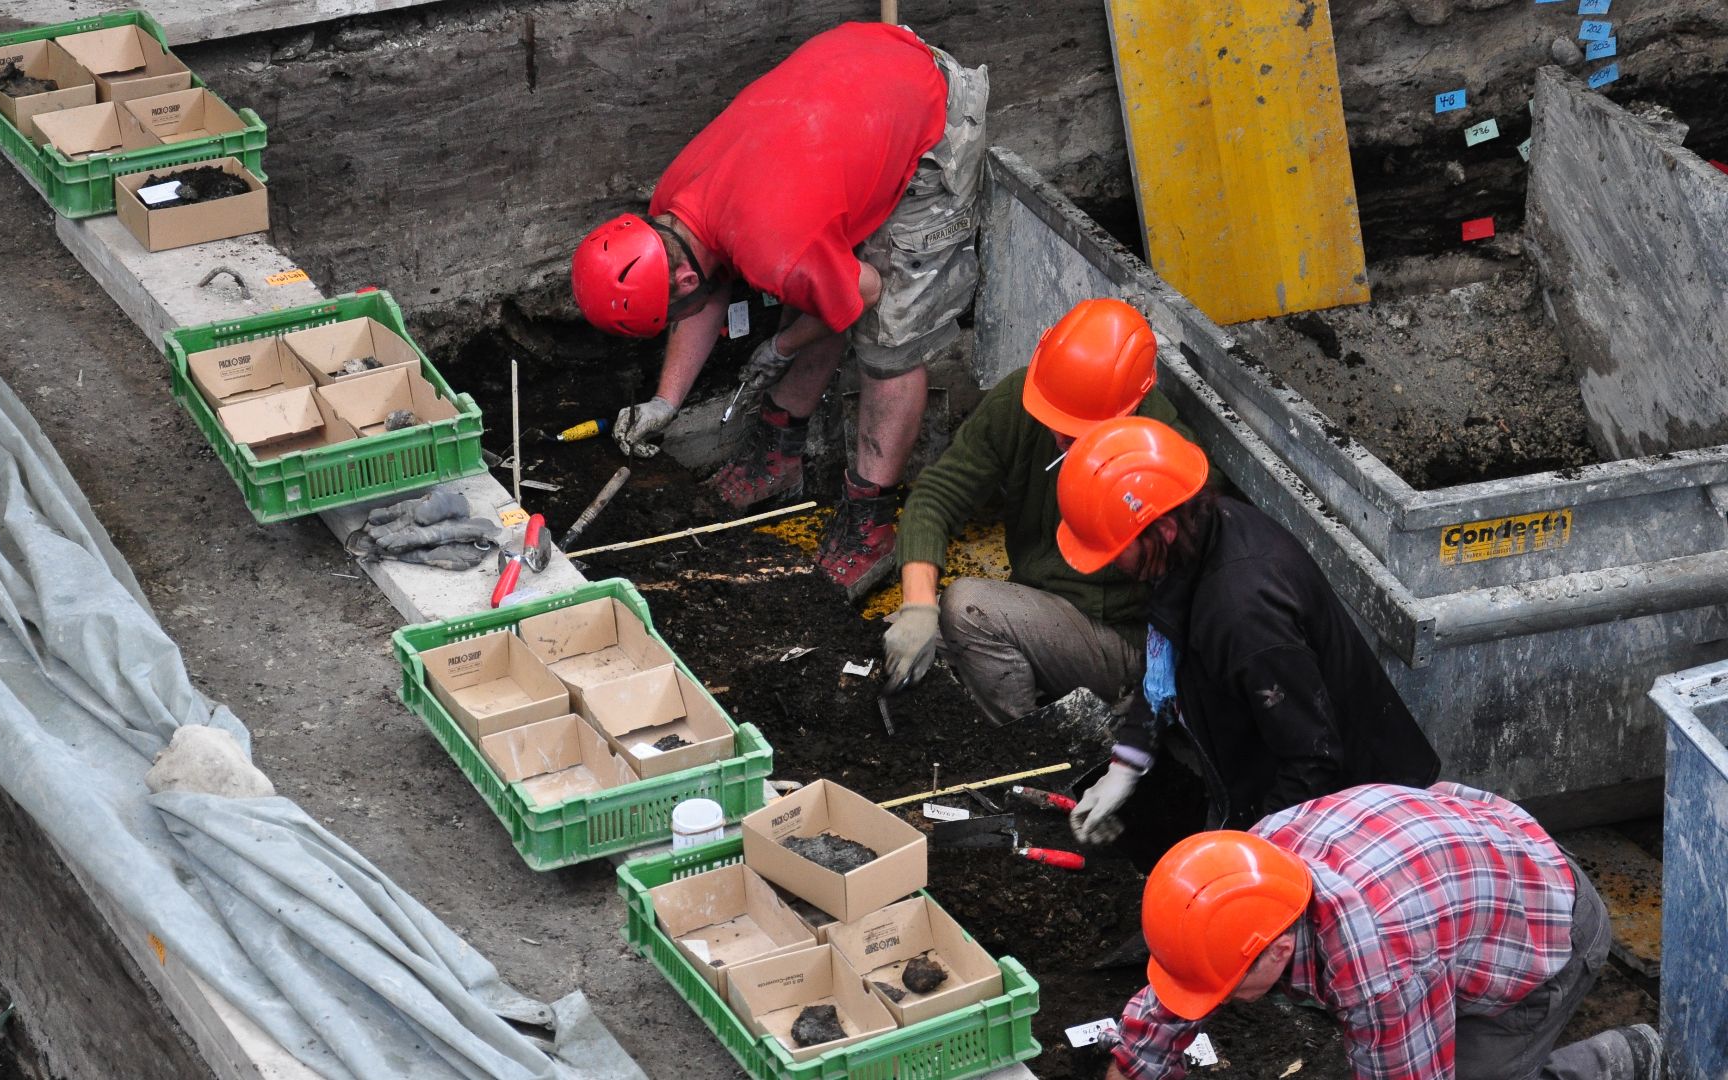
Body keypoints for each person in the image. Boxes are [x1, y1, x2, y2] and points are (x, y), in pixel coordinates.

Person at [569, 22, 989, 596]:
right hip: (854, 81)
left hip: (928, 114)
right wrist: (664, 403)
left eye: (673, 305)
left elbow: (861, 292)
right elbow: (707, 290)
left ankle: (870, 519)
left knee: (890, 340)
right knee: (815, 287)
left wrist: (779, 346)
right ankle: (781, 449)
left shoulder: (774, 247)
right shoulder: (673, 205)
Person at [1102, 783, 1664, 1080]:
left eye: (1224, 987)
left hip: (1546, 934)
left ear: (1275, 951)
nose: (1214, 1001)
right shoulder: (1247, 869)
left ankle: (1626, 1057)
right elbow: (1183, 981)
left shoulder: (1378, 970)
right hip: (1477, 875)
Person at [1049, 418, 1439, 841]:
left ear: (1162, 529)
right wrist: (1126, 762)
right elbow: (1164, 653)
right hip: (1270, 760)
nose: (1107, 561)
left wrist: (1247, 850)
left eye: (1112, 548)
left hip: (1360, 812)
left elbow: (1313, 761)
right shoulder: (1197, 535)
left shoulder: (1243, 613)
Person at [881, 298, 1191, 723]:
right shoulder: (1028, 399)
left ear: (1130, 409)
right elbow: (937, 495)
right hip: (1042, 606)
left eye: (1079, 431)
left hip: (1119, 637)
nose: (1060, 437)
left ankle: (1027, 750)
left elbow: (1194, 589)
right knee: (905, 630)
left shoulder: (1166, 455)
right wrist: (917, 605)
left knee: (967, 609)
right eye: (1055, 420)